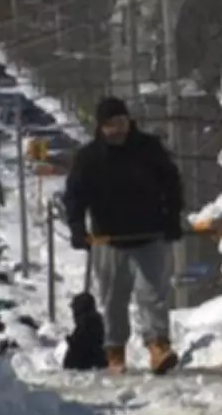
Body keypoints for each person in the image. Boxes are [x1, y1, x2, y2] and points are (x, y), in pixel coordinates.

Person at [63, 96, 184, 374]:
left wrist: (172, 218)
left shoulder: (149, 149)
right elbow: (75, 197)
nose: (117, 129)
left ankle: (158, 346)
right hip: (109, 240)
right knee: (113, 299)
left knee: (152, 294)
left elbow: (172, 183)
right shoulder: (88, 158)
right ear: (101, 127)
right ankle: (114, 350)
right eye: (111, 124)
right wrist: (77, 229)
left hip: (151, 234)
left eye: (121, 122)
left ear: (129, 121)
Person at [63, 293, 108, 371]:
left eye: (75, 309)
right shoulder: (89, 322)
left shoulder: (88, 323)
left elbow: (85, 345)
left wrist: (72, 342)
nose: (73, 314)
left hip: (85, 367)